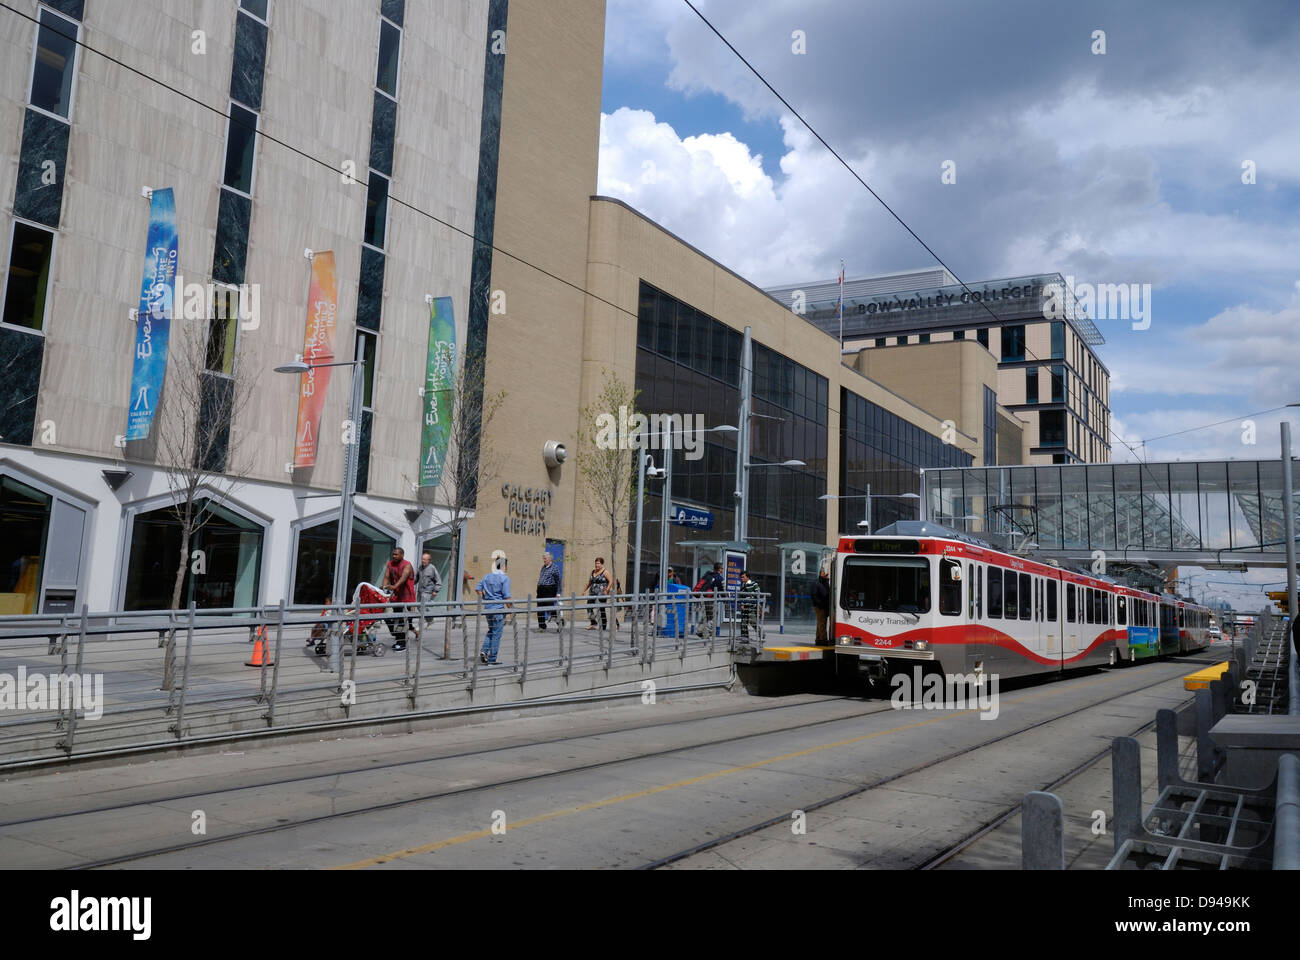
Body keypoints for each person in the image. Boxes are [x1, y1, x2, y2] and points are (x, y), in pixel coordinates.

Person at [380, 547, 416, 652]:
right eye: (393, 554)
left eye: (396, 554)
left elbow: (403, 578)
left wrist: (394, 586)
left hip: (407, 599)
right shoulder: (390, 564)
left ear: (402, 555)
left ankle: (402, 643)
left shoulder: (407, 565)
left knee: (402, 622)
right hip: (396, 599)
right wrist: (383, 587)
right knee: (390, 618)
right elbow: (386, 576)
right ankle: (399, 638)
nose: (394, 556)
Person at [475, 563, 512, 664]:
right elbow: (507, 597)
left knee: (491, 631)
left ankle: (484, 651)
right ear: (504, 566)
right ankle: (492, 660)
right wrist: (511, 611)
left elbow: (478, 589)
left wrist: (484, 598)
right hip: (498, 609)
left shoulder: (487, 576)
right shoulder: (504, 578)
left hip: (488, 608)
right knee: (497, 634)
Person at [413, 551, 443, 639]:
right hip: (420, 591)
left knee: (422, 609)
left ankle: (419, 627)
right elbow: (416, 578)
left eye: (425, 559)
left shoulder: (432, 568)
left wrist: (436, 591)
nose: (423, 561)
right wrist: (411, 584)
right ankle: (430, 619)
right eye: (422, 559)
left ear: (429, 560)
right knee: (419, 607)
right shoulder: (420, 568)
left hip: (427, 592)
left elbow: (439, 581)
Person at [695, 562, 724, 638]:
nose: (722, 570)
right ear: (720, 569)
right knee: (713, 616)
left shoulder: (707, 575)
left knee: (706, 615)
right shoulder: (719, 578)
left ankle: (699, 630)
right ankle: (707, 633)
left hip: (703, 598)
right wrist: (725, 599)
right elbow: (722, 590)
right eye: (722, 568)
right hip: (711, 599)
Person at [536, 551, 562, 630]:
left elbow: (558, 581)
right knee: (539, 608)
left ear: (550, 559)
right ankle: (542, 626)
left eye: (545, 558)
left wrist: (558, 592)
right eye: (543, 558)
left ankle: (560, 622)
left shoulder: (555, 568)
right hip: (541, 590)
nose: (544, 560)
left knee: (549, 608)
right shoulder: (543, 567)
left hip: (549, 590)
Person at [586, 557, 611, 631]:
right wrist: (584, 590)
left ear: (602, 564)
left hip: (601, 593)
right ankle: (593, 622)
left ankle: (603, 626)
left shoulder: (605, 572)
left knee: (601, 609)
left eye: (598, 563)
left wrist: (607, 589)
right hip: (592, 593)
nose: (597, 564)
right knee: (589, 607)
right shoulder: (593, 571)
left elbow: (611, 581)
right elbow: (589, 582)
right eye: (596, 563)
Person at [738, 570, 761, 640]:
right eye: (741, 577)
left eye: (743, 577)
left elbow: (758, 593)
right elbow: (741, 596)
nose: (741, 579)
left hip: (751, 606)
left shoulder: (754, 584)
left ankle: (761, 632)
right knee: (743, 623)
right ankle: (745, 638)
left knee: (752, 621)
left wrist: (753, 598)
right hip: (745, 607)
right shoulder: (742, 586)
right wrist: (742, 604)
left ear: (747, 577)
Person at [812, 568, 832, 645]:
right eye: (824, 574)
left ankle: (818, 639)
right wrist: (819, 605)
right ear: (820, 574)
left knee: (820, 623)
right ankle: (824, 640)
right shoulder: (816, 583)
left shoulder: (825, 583)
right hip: (819, 607)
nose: (827, 576)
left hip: (824, 606)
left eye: (827, 575)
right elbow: (814, 595)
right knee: (822, 623)